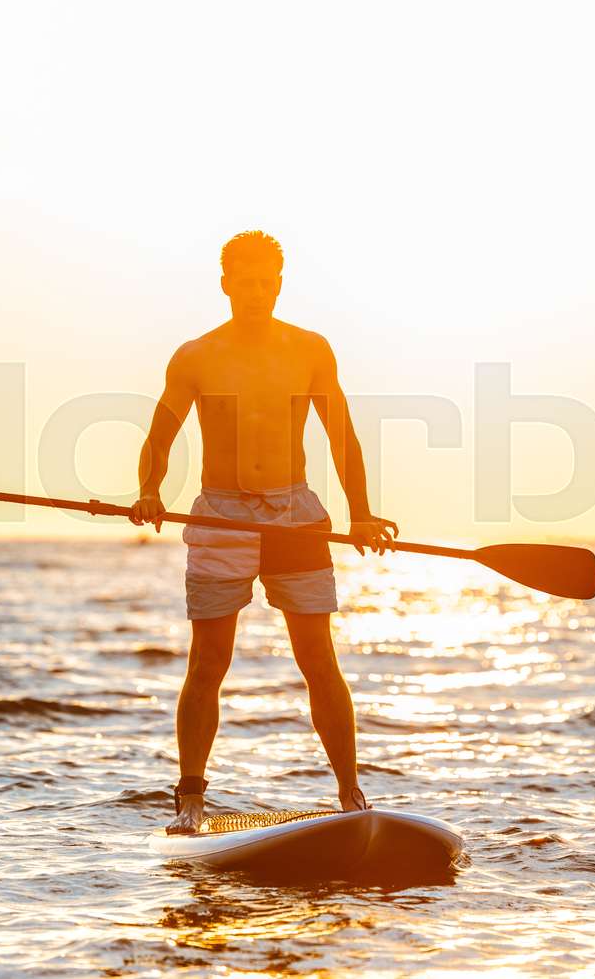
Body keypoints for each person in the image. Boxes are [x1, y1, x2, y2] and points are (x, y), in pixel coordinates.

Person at [131, 230, 398, 834]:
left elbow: (341, 434)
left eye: (266, 282)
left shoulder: (310, 350)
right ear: (225, 283)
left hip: (295, 514)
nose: (256, 292)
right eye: (244, 281)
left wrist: (360, 511)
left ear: (279, 283)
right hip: (220, 515)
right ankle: (191, 801)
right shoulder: (196, 355)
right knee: (208, 662)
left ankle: (350, 793)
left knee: (318, 659)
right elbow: (160, 435)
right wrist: (150, 491)